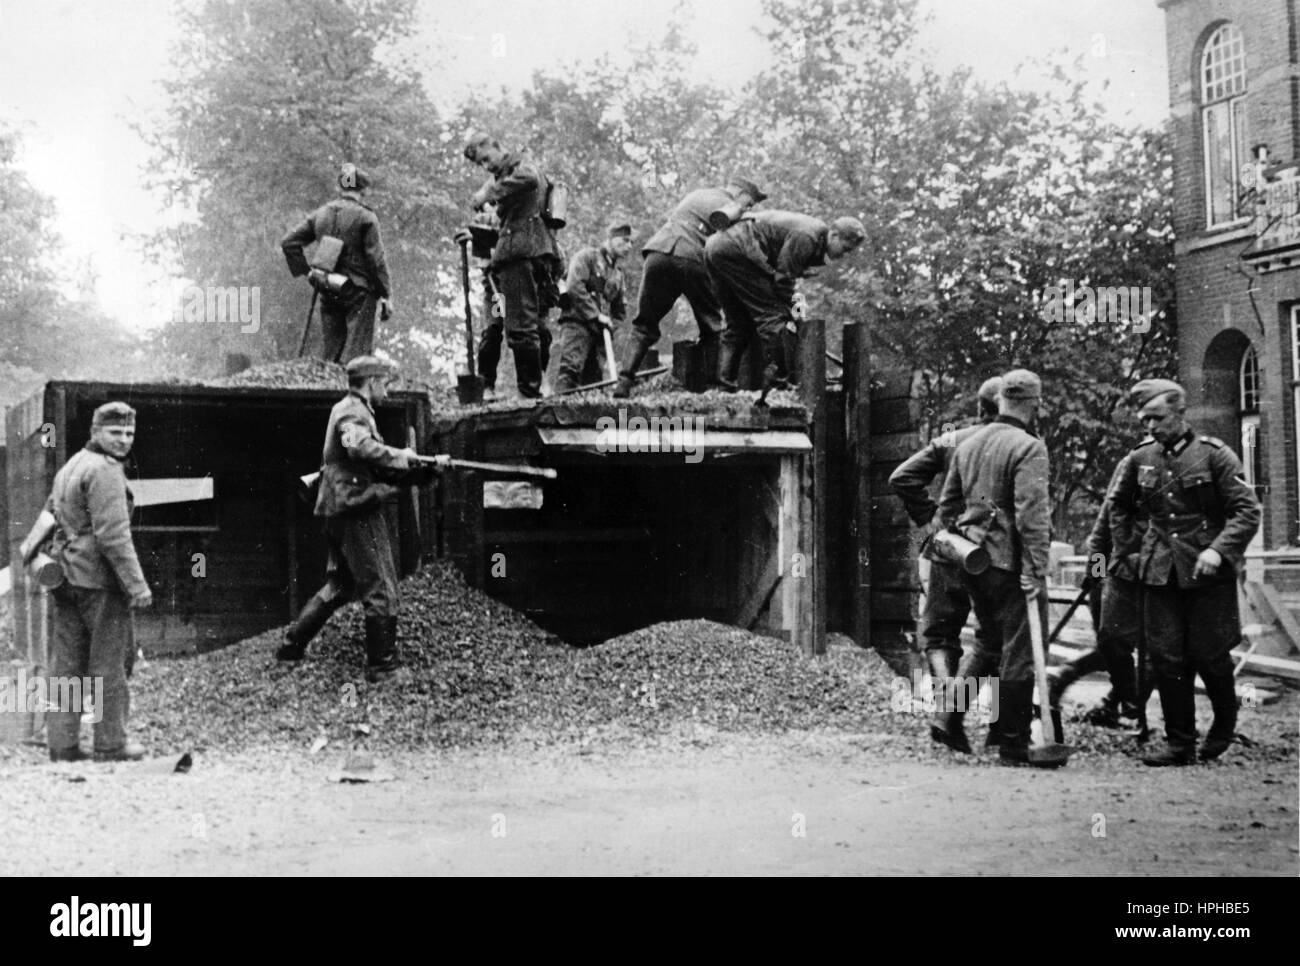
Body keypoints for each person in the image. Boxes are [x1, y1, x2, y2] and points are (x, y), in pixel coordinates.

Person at [1109, 378, 1261, 765]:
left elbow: (1247, 510)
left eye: (1157, 418)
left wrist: (1218, 550)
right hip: (1160, 571)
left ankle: (1224, 725)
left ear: (1180, 412)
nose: (1151, 427)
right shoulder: (1140, 458)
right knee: (1166, 657)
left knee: (1210, 655)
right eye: (1145, 420)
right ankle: (1179, 743)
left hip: (1207, 572)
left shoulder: (1215, 455)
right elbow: (1119, 507)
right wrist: (1128, 552)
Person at [277, 356, 448, 682]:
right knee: (381, 585)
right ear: (371, 381)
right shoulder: (350, 412)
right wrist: (403, 455)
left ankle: (291, 647)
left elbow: (377, 467)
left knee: (341, 585)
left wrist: (426, 469)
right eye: (384, 381)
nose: (386, 387)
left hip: (347, 507)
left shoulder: (356, 411)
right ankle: (382, 667)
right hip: (355, 511)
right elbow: (358, 448)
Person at [938, 369, 1052, 766]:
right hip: (1010, 565)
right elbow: (1031, 515)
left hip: (972, 561)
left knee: (987, 642)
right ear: (1032, 404)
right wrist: (1036, 568)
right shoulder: (1028, 446)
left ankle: (948, 715)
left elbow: (947, 505)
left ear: (1001, 400)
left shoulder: (970, 442)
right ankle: (1013, 743)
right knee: (1019, 650)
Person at [889, 377, 1002, 753]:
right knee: (996, 636)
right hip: (995, 554)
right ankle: (997, 726)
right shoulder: (1018, 444)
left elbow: (902, 477)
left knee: (939, 634)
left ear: (979, 410)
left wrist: (931, 520)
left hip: (950, 547)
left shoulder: (954, 440)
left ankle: (946, 718)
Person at [45, 402, 152, 763]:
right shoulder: (105, 470)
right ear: (96, 432)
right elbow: (113, 536)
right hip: (98, 581)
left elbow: (51, 520)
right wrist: (137, 586)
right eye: (116, 433)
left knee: (67, 664)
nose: (124, 441)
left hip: (66, 578)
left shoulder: (71, 466)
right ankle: (111, 744)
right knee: (109, 662)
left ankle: (62, 744)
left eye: (130, 434)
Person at [613, 176, 767, 398]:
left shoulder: (697, 194)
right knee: (713, 325)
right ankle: (717, 389)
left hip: (658, 253)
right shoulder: (731, 207)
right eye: (749, 203)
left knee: (644, 325)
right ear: (741, 194)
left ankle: (623, 384)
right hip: (692, 257)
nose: (747, 208)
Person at [704, 211, 866, 390]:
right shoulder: (808, 237)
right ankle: (778, 383)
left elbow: (781, 275)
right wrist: (793, 312)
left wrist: (794, 309)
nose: (844, 255)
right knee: (773, 317)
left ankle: (725, 385)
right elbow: (783, 279)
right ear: (834, 235)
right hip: (737, 248)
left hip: (715, 246)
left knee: (738, 322)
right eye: (845, 248)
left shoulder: (813, 237)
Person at [1047, 451, 1151, 728]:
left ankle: (1116, 705)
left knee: (1150, 649)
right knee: (1112, 644)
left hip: (1154, 578)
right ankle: (1068, 679)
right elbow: (1102, 530)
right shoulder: (1130, 465)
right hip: (1116, 576)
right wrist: (1095, 575)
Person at [463, 132, 563, 399]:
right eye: (481, 165)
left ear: (496, 146)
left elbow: (529, 178)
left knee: (521, 326)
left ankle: (530, 392)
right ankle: (504, 386)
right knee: (503, 327)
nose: (486, 167)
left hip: (520, 254)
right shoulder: (509, 176)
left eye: (486, 159)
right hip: (516, 264)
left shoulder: (521, 164)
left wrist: (488, 191)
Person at [281, 163, 393, 364]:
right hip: (358, 292)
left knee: (331, 356)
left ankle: (330, 392)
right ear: (363, 190)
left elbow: (289, 243)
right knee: (357, 357)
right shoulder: (366, 217)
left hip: (327, 287)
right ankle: (352, 392)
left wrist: (307, 273)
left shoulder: (321, 213)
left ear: (340, 187)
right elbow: (375, 259)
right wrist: (386, 294)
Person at [554, 223, 632, 393]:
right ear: (610, 239)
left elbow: (620, 311)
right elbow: (574, 285)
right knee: (570, 372)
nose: (629, 246)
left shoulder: (618, 275)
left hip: (599, 334)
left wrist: (611, 327)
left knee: (594, 382)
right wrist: (596, 315)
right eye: (624, 240)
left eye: (631, 242)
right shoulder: (587, 257)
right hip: (577, 324)